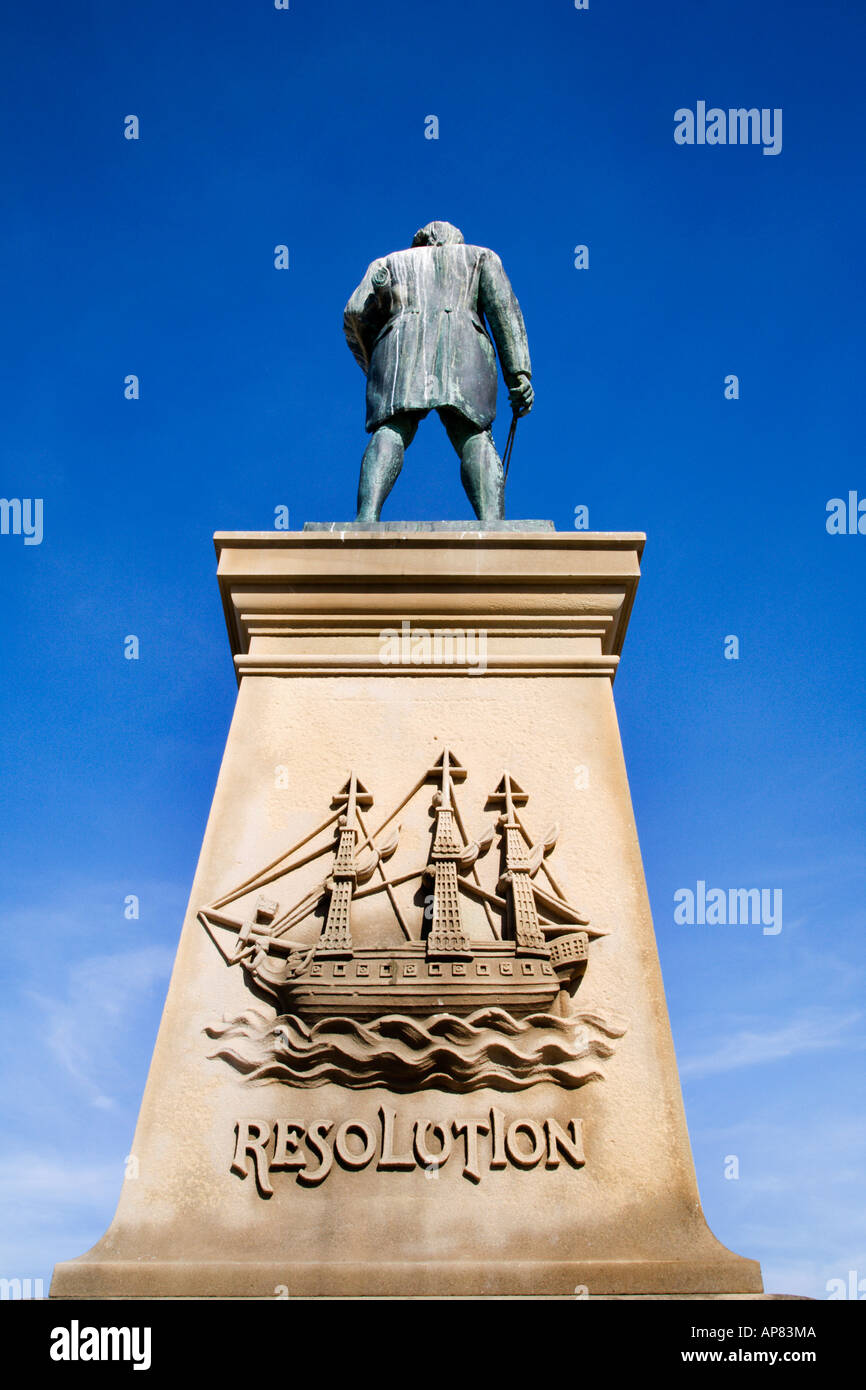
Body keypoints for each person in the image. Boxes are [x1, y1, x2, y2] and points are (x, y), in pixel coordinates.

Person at [343, 221, 533, 521]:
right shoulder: (480, 257)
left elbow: (355, 312)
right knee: (472, 433)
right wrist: (518, 373)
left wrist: (377, 356)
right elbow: (502, 311)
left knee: (391, 429)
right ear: (455, 240)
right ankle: (492, 524)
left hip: (399, 347)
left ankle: (366, 518)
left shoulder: (388, 263)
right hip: (464, 348)